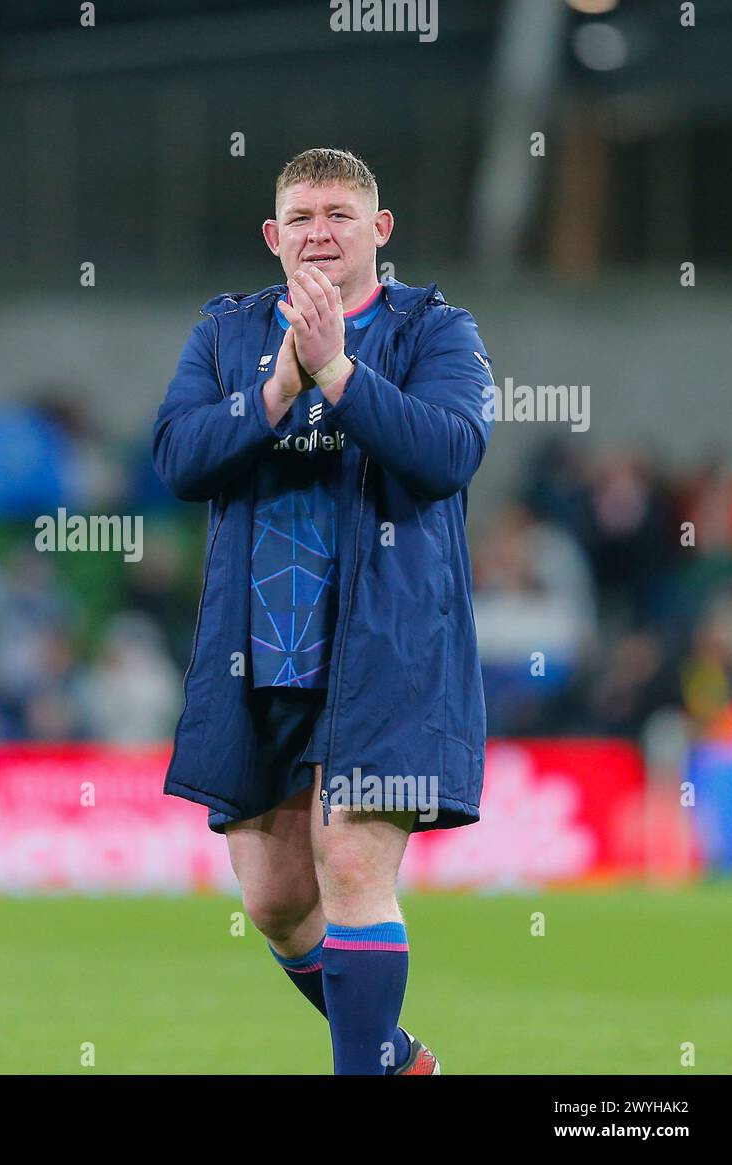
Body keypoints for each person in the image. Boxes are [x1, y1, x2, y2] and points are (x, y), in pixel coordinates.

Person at [153, 148, 494, 1074]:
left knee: (350, 867)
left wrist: (339, 374)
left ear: (379, 231)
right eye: (300, 217)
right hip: (255, 656)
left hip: (385, 651)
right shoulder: (226, 333)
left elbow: (450, 452)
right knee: (271, 896)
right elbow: (178, 458)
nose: (319, 232)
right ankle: (394, 1058)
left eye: (340, 214)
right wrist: (275, 391)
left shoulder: (437, 331)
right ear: (273, 238)